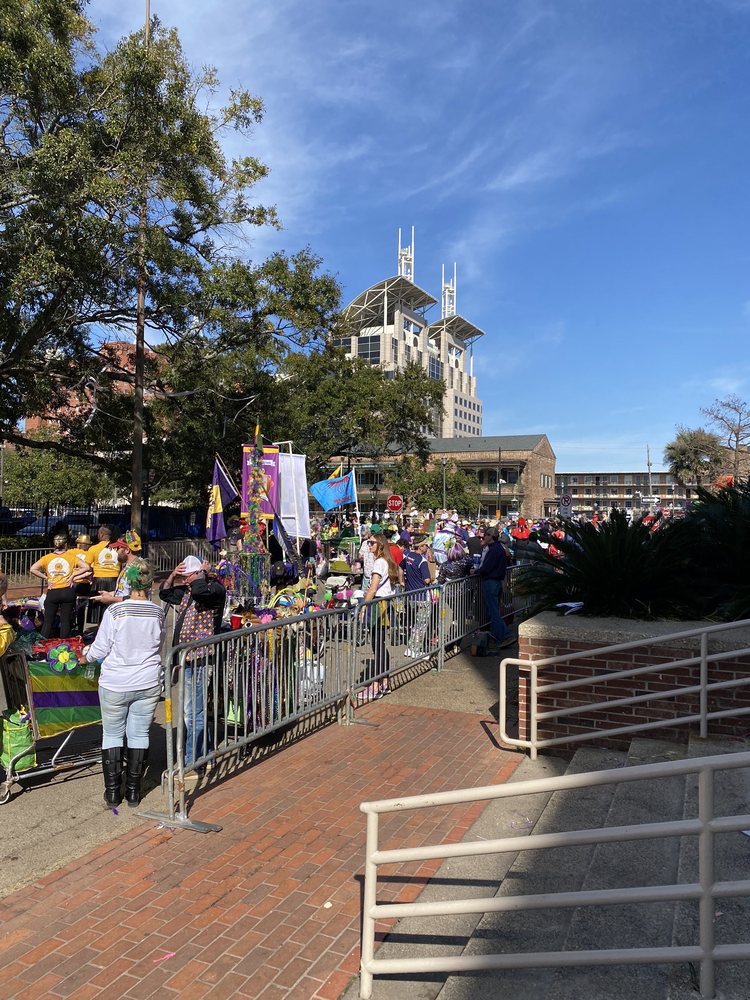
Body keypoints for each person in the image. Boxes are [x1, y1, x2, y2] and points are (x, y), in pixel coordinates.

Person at [84, 558, 165, 808]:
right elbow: (158, 644)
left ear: (127, 583)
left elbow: (100, 647)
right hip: (148, 680)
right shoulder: (158, 611)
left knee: (112, 734)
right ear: (150, 583)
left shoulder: (115, 611)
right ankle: (133, 791)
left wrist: (87, 655)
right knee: (139, 734)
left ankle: (112, 792)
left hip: (116, 681)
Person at [159, 555, 226, 775]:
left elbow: (200, 592)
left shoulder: (213, 589)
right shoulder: (189, 590)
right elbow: (165, 593)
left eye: (188, 575)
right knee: (192, 710)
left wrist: (202, 575)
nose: (186, 580)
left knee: (192, 712)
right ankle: (203, 752)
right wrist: (173, 575)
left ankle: (191, 759)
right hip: (186, 658)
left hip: (200, 657)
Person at [362, 533, 399, 699]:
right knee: (380, 644)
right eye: (369, 542)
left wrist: (363, 607)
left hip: (378, 604)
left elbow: (373, 588)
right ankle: (384, 682)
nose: (369, 545)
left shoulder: (379, 562)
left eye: (372, 543)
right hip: (386, 604)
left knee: (377, 645)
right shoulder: (386, 562)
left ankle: (377, 684)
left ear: (380, 545)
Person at [30, 533, 88, 639]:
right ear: (66, 545)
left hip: (53, 590)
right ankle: (64, 646)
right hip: (67, 590)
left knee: (48, 621)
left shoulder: (47, 558)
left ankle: (42, 646)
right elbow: (86, 567)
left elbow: (32, 569)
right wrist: (73, 576)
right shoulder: (71, 557)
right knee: (65, 621)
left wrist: (46, 578)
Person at [475, 526, 514, 649]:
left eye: (486, 535)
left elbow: (487, 568)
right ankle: (498, 636)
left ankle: (506, 635)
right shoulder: (498, 548)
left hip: (491, 581)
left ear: (491, 537)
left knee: (494, 612)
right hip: (496, 581)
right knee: (493, 611)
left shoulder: (494, 550)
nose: (483, 537)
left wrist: (476, 572)